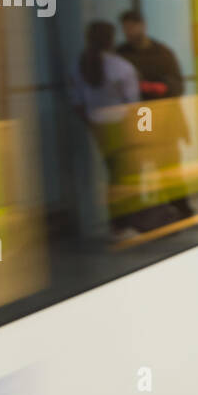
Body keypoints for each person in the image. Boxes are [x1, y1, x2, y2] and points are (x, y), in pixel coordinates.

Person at [117, 7, 195, 220]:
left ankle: (181, 209)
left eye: (132, 27)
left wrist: (155, 88)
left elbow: (177, 86)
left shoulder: (162, 53)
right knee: (138, 168)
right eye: (126, 29)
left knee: (169, 167)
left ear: (142, 26)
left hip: (166, 121)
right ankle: (141, 214)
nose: (129, 33)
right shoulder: (121, 54)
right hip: (139, 120)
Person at [67, 20, 141, 238]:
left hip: (96, 125)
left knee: (114, 173)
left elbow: (77, 102)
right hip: (121, 125)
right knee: (123, 175)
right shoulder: (121, 67)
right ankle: (122, 224)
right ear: (110, 39)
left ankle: (119, 224)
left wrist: (92, 123)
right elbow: (133, 104)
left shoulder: (78, 66)